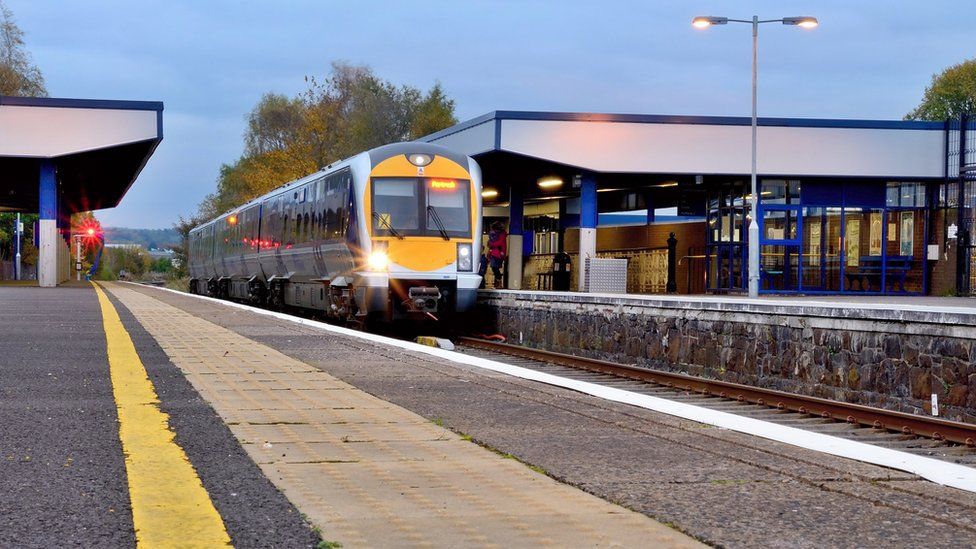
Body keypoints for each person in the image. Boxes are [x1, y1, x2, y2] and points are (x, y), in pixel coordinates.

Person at [487, 221, 508, 288]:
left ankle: (498, 281)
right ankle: (498, 282)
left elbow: (499, 243)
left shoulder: (502, 234)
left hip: (499, 253)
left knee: (495, 267)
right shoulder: (495, 234)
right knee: (494, 267)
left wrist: (491, 244)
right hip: (495, 253)